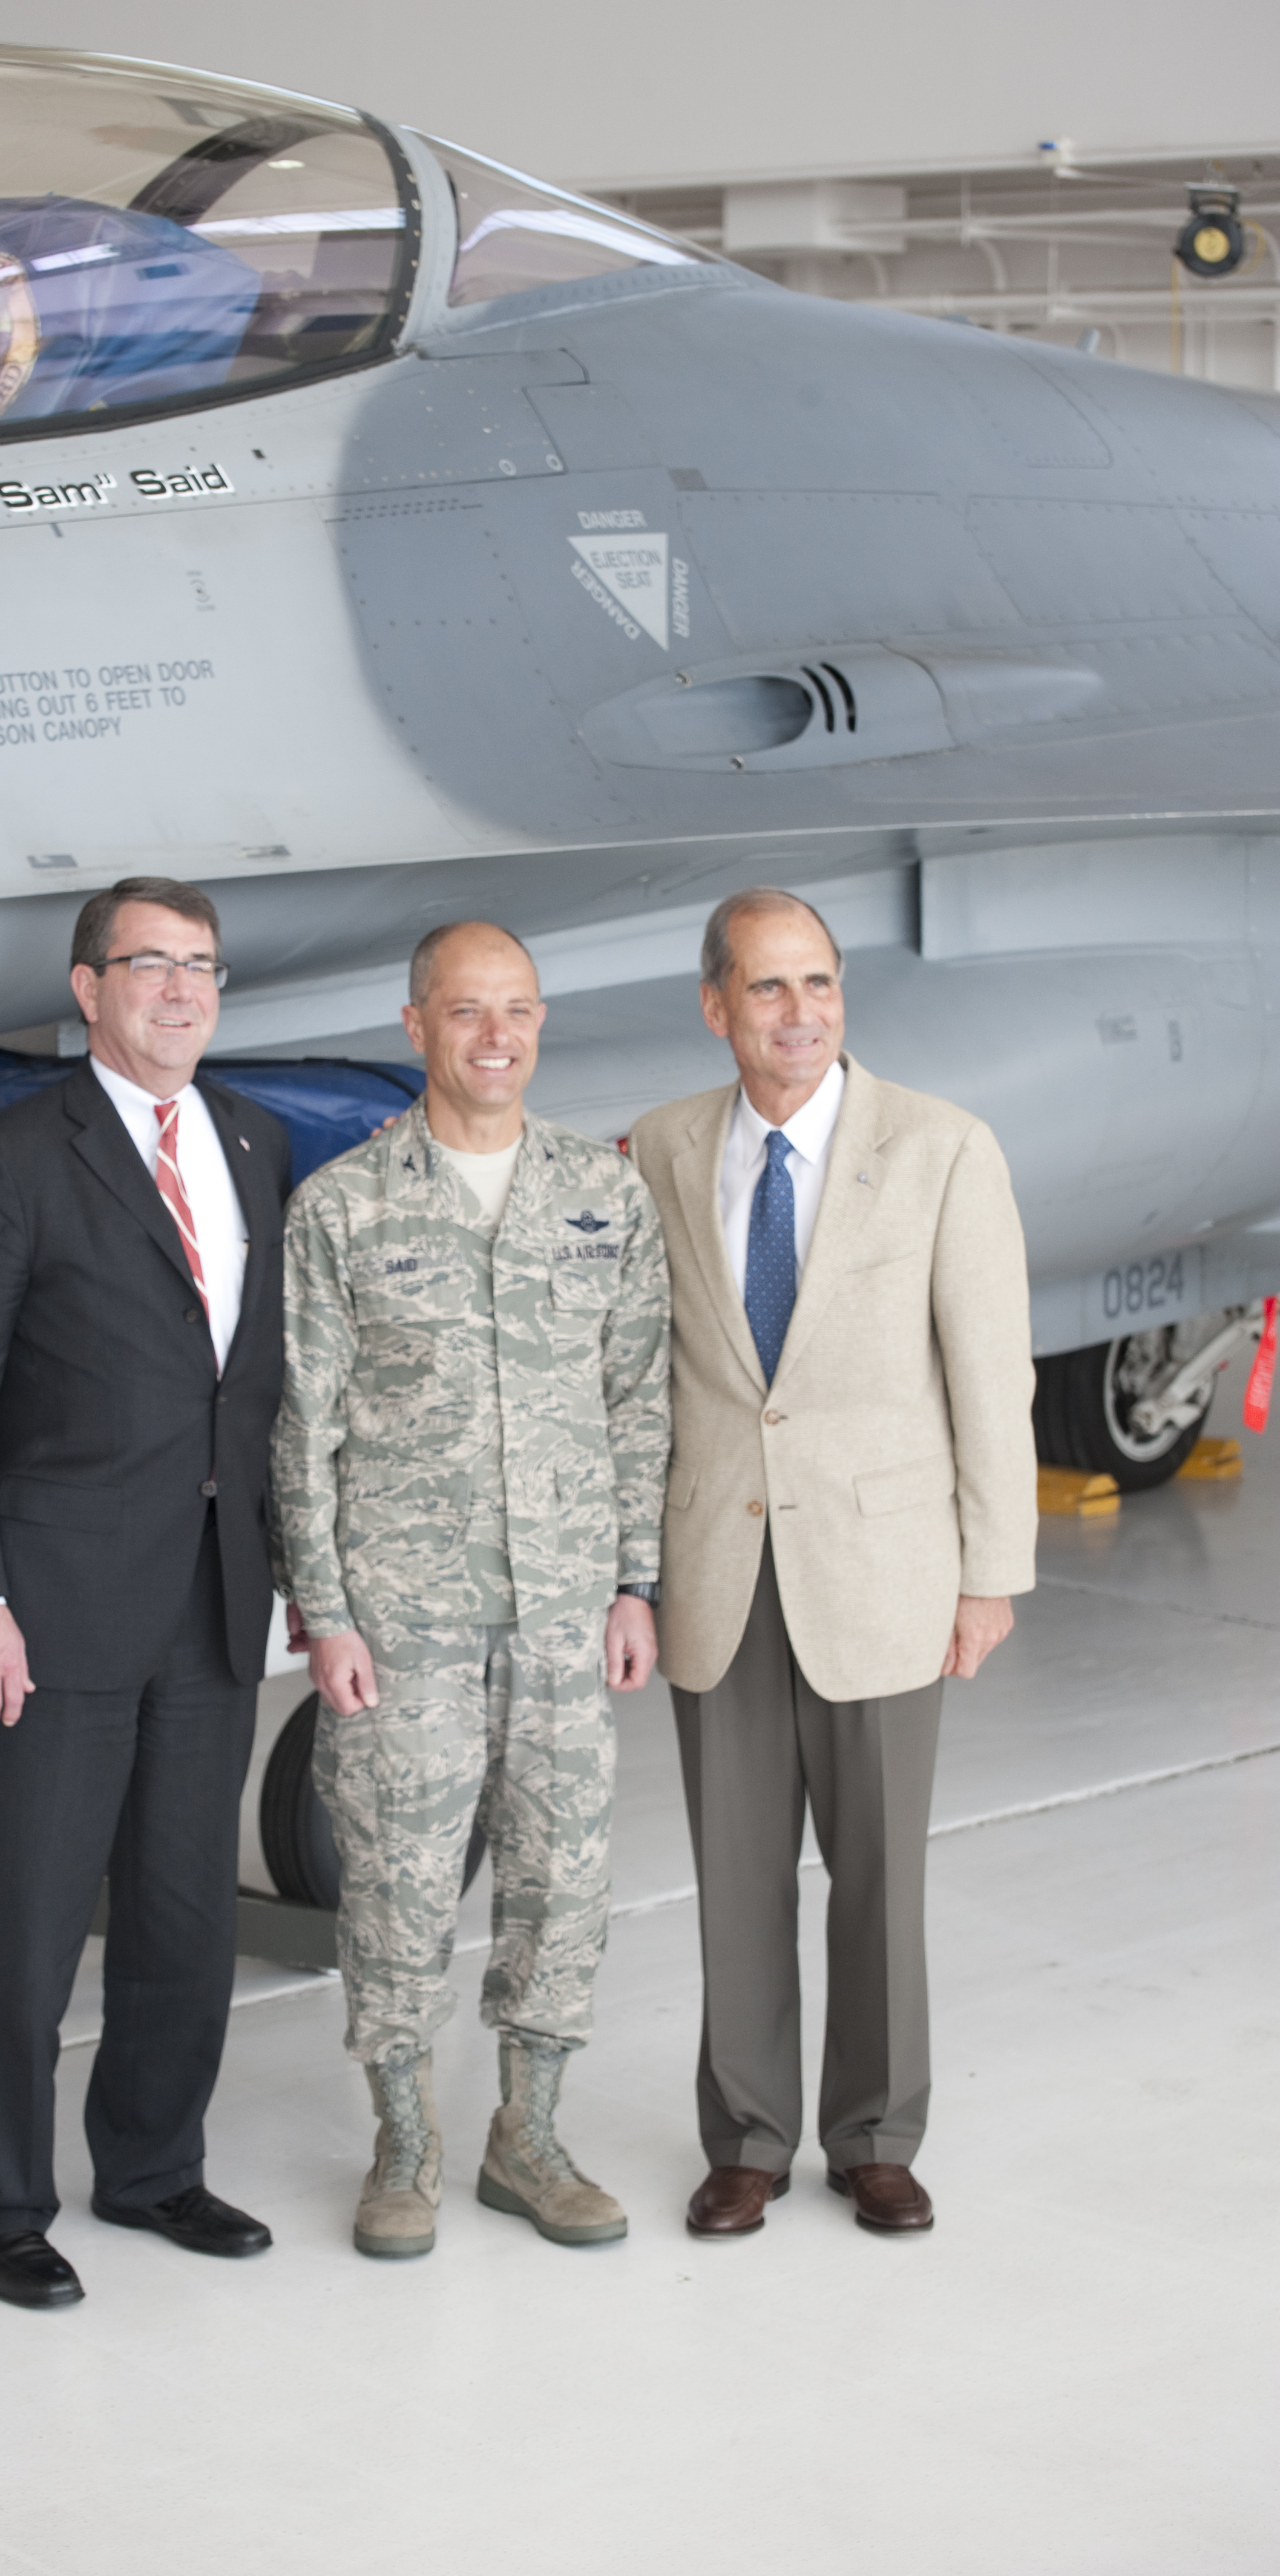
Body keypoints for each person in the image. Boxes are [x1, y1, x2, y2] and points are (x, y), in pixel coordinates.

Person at [0, 875, 290, 2307]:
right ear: (88, 989)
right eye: (149, 964)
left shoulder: (249, 1141)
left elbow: (249, 1389)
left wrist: (292, 1576)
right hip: (53, 1604)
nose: (181, 991)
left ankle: (151, 2168)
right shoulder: (12, 1158)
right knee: (25, 1918)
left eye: (201, 966)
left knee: (188, 1911)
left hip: (212, 1596)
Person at [629, 890, 1036, 2239]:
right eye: (767, 989)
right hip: (721, 1570)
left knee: (880, 1880)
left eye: (818, 985)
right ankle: (745, 2137)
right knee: (734, 1876)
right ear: (715, 1004)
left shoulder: (941, 1148)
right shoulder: (665, 1151)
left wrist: (994, 1572)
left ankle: (874, 2136)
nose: (798, 1014)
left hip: (884, 1573)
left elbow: (991, 1377)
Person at [272, 921, 670, 2258]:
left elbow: (639, 1399)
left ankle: (528, 2136)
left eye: (517, 1010)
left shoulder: (601, 1196)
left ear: (541, 1023)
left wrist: (635, 1582)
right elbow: (304, 1426)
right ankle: (405, 2142)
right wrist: (325, 1611)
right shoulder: (344, 1206)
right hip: (406, 1624)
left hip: (566, 1611)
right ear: (416, 1024)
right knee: (395, 1884)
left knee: (563, 1880)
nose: (494, 1036)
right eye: (466, 1011)